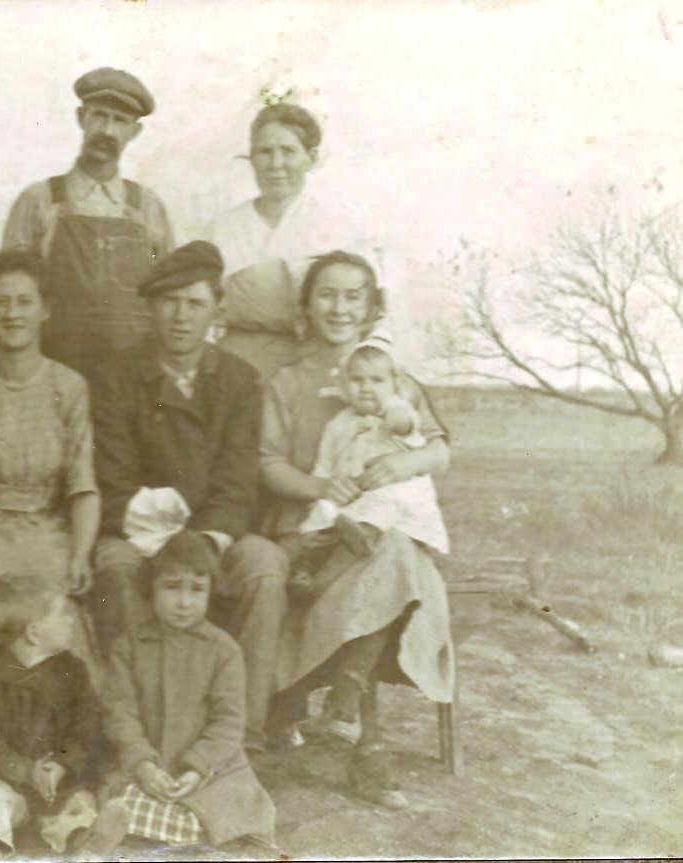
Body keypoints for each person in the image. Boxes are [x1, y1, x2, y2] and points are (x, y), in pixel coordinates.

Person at [259, 249, 454, 808]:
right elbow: (267, 461)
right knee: (383, 563)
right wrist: (320, 488)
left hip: (383, 526)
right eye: (326, 294)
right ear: (306, 306)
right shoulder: (288, 382)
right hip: (317, 523)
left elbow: (437, 450)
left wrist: (401, 464)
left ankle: (344, 717)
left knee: (387, 555)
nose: (339, 307)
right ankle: (367, 745)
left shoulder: (396, 380)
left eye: (353, 297)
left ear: (372, 308)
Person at [88, 240, 288, 754]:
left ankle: (240, 735)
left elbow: (238, 482)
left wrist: (206, 541)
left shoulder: (240, 381)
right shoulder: (116, 375)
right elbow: (113, 479)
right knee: (114, 566)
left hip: (213, 535)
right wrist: (165, 541)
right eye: (169, 302)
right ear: (152, 308)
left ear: (216, 312)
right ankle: (141, 737)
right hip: (140, 532)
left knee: (264, 565)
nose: (181, 317)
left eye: (195, 304)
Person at [0, 250, 97, 655]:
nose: (13, 314)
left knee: (55, 628)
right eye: (1, 302)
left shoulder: (69, 388)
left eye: (25, 301)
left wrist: (80, 554)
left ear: (45, 309)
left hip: (48, 534)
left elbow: (83, 485)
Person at [102, 532, 278, 855]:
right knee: (113, 805)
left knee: (224, 813)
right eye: (171, 587)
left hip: (208, 771)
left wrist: (197, 767)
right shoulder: (129, 646)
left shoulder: (223, 650)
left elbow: (228, 722)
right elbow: (120, 714)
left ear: (211, 592)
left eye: (197, 590)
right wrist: (142, 763)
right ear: (151, 589)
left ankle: (188, 837)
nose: (184, 602)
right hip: (148, 765)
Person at [0, 573, 127, 859]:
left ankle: (85, 846)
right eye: (62, 613)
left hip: (60, 789)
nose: (71, 620)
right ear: (35, 633)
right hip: (10, 786)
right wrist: (25, 770)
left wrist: (63, 763)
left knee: (81, 805)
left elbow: (87, 730)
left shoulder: (72, 672)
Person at [2, 67, 174, 377]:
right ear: (81, 117)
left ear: (135, 132)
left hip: (131, 380)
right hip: (56, 372)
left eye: (120, 121)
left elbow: (168, 299)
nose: (107, 130)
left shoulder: (148, 208)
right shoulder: (39, 201)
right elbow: (9, 295)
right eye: (99, 115)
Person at [205, 102, 378, 380]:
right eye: (265, 152)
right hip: (238, 368)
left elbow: (371, 309)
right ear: (251, 157)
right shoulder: (222, 228)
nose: (275, 164)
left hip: (316, 369)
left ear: (311, 158)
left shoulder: (337, 227)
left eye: (288, 151)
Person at [295, 333, 450, 565]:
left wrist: (394, 415)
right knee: (321, 513)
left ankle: (365, 537)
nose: (366, 388)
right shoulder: (338, 423)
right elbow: (325, 463)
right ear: (345, 385)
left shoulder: (396, 409)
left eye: (377, 380)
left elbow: (408, 425)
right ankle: (309, 561)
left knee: (383, 504)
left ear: (394, 385)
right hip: (351, 494)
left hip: (392, 489)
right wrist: (323, 486)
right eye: (357, 380)